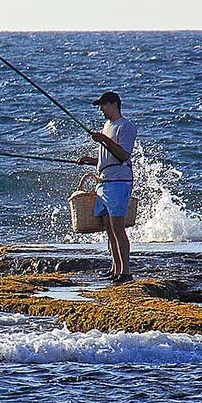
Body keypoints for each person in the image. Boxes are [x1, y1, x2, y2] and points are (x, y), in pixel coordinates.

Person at [77, 91, 136, 282]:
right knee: (109, 228)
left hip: (119, 183)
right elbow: (108, 157)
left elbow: (123, 155)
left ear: (114, 104)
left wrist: (104, 140)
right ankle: (115, 269)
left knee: (118, 227)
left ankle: (126, 272)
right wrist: (92, 160)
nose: (101, 109)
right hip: (104, 182)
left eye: (103, 105)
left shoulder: (125, 127)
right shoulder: (107, 126)